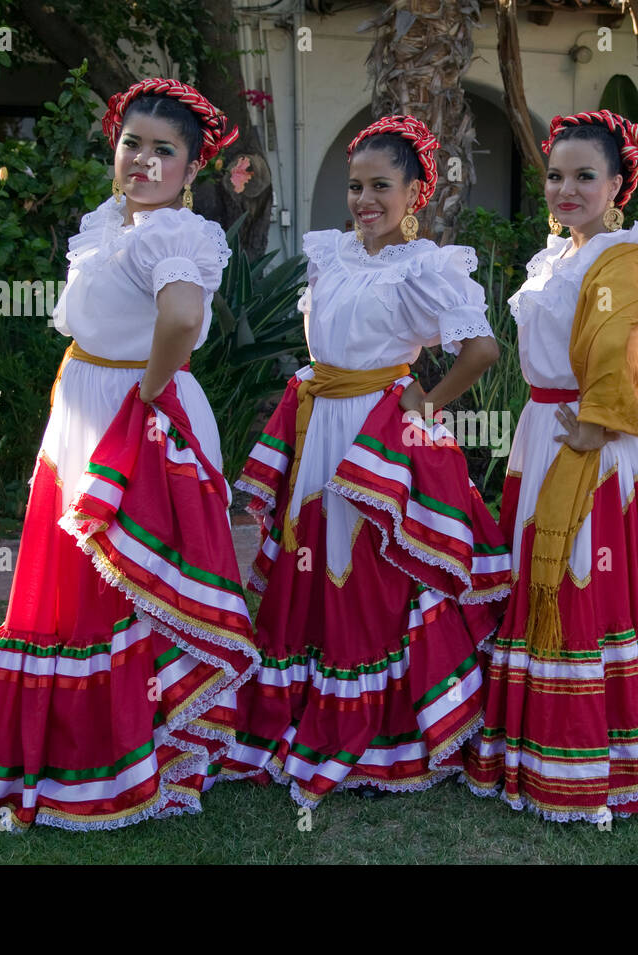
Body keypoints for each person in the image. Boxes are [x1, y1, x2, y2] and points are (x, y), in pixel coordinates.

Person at [0, 78, 261, 830]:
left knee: (115, 582)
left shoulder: (172, 232)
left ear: (190, 168)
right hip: (87, 412)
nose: (143, 161)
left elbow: (181, 318)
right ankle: (95, 743)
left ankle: (127, 747)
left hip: (129, 416)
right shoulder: (111, 222)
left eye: (163, 151)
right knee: (75, 581)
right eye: (132, 144)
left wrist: (143, 393)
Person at [230, 115, 511, 808]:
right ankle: (304, 708)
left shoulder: (427, 266)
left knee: (374, 573)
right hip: (320, 418)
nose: (364, 200)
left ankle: (386, 725)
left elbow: (481, 350)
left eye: (381, 186)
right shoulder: (331, 253)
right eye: (356, 185)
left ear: (416, 192)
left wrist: (426, 403)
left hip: (378, 436)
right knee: (314, 561)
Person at [464, 110, 638, 822]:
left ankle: (593, 757)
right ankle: (538, 744)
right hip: (543, 428)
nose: (566, 189)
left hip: (590, 438)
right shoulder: (556, 256)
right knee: (544, 574)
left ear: (618, 184)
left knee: (578, 584)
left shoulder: (624, 256)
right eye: (557, 176)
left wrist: (597, 425)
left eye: (584, 176)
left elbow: (616, 345)